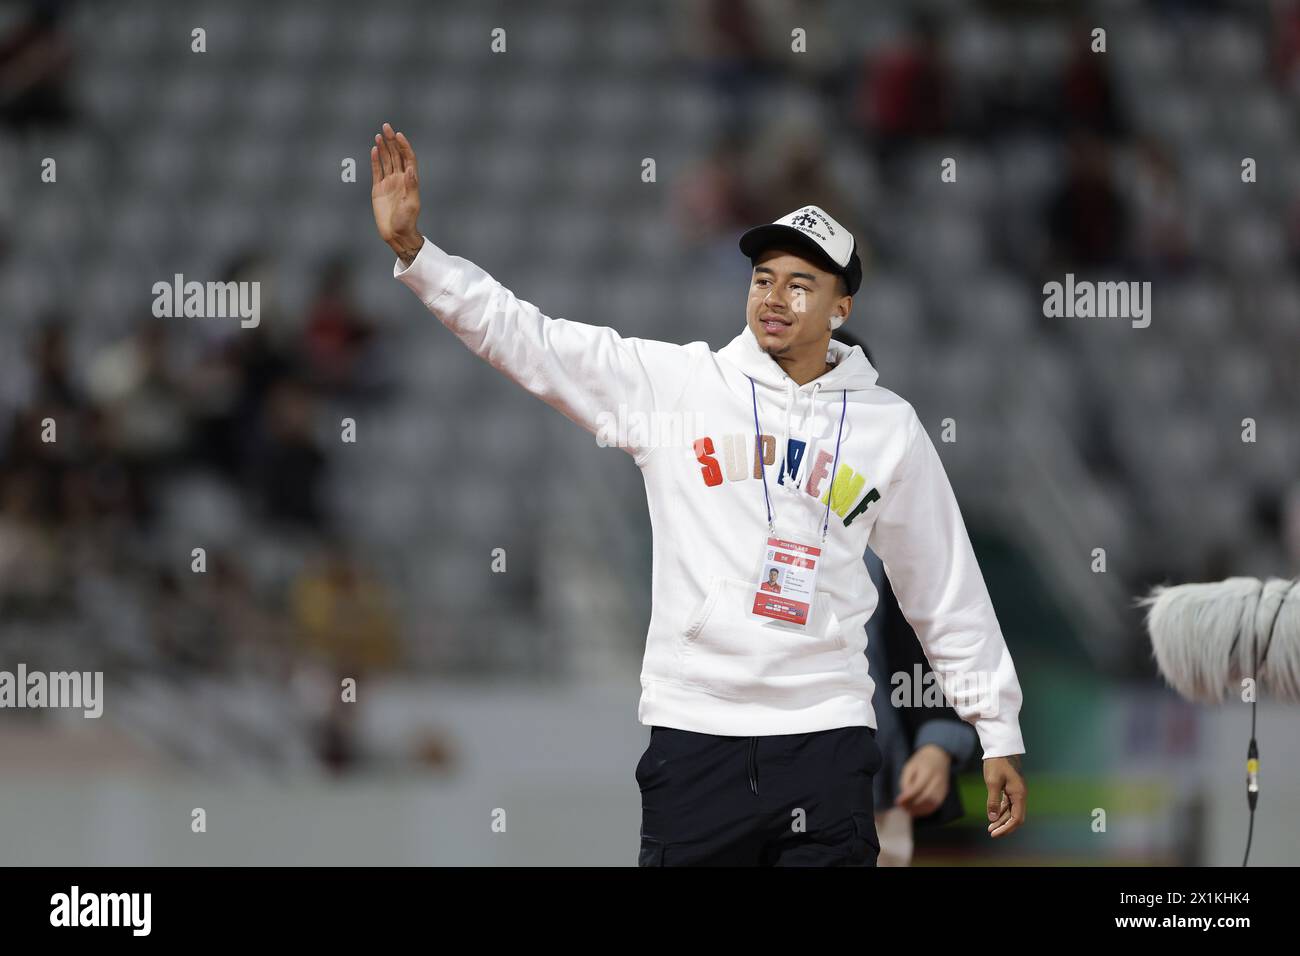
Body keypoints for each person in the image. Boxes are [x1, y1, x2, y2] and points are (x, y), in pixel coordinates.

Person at [370, 123, 1027, 866]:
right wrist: (417, 255)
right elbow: (532, 340)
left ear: (840, 310)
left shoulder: (889, 428)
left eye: (800, 284)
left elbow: (945, 591)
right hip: (695, 739)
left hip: (828, 740)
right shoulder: (679, 387)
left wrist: (995, 727)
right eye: (763, 278)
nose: (774, 297)